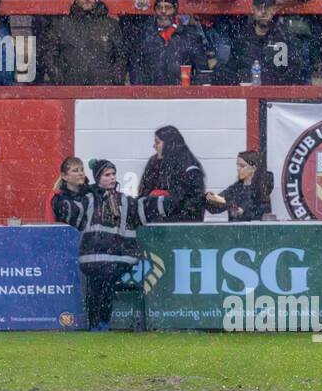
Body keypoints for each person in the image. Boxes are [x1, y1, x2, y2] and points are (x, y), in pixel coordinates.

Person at [51, 157, 169, 332]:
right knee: (99, 278)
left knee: (103, 277)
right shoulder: (86, 198)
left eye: (113, 174)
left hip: (119, 256)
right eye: (107, 175)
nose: (112, 178)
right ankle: (98, 323)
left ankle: (100, 323)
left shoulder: (122, 200)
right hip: (95, 255)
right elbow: (67, 211)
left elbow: (146, 207)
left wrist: (177, 200)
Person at [138, 126, 206, 221]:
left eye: (157, 142)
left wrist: (162, 207)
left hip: (181, 226)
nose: (154, 147)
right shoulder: (154, 163)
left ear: (169, 144)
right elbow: (143, 194)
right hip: (157, 224)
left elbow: (193, 207)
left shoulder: (190, 168)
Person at [205, 151, 273, 222]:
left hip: (254, 231)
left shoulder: (261, 190)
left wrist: (243, 210)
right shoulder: (235, 189)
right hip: (235, 230)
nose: (238, 168)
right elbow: (218, 205)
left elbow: (261, 210)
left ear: (253, 168)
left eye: (242, 166)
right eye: (237, 165)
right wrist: (209, 199)